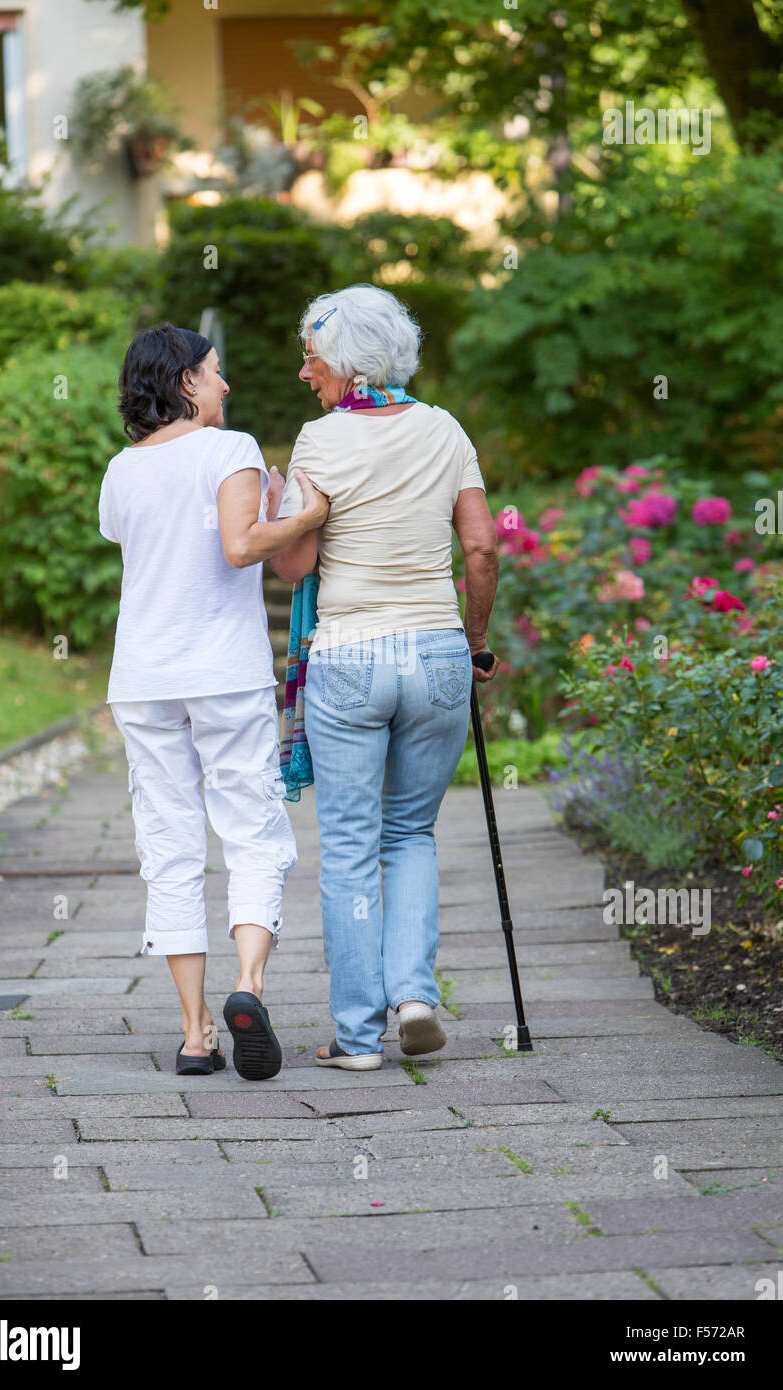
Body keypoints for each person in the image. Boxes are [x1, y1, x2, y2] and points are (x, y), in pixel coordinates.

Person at [268, 284, 499, 1069]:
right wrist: (474, 641)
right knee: (410, 835)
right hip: (437, 654)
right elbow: (481, 551)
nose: (306, 373)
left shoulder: (319, 442)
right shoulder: (446, 430)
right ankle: (413, 997)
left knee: (351, 847)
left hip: (350, 659)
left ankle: (360, 1038)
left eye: (312, 356)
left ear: (349, 363)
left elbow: (295, 561)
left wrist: (278, 510)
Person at [98, 321, 328, 1080]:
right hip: (223, 673)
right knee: (252, 828)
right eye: (215, 372)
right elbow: (237, 548)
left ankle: (196, 1034)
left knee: (168, 846)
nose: (225, 385)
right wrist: (301, 516)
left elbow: (147, 548)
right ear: (185, 381)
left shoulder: (120, 470)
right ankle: (248, 986)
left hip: (142, 678)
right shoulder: (230, 449)